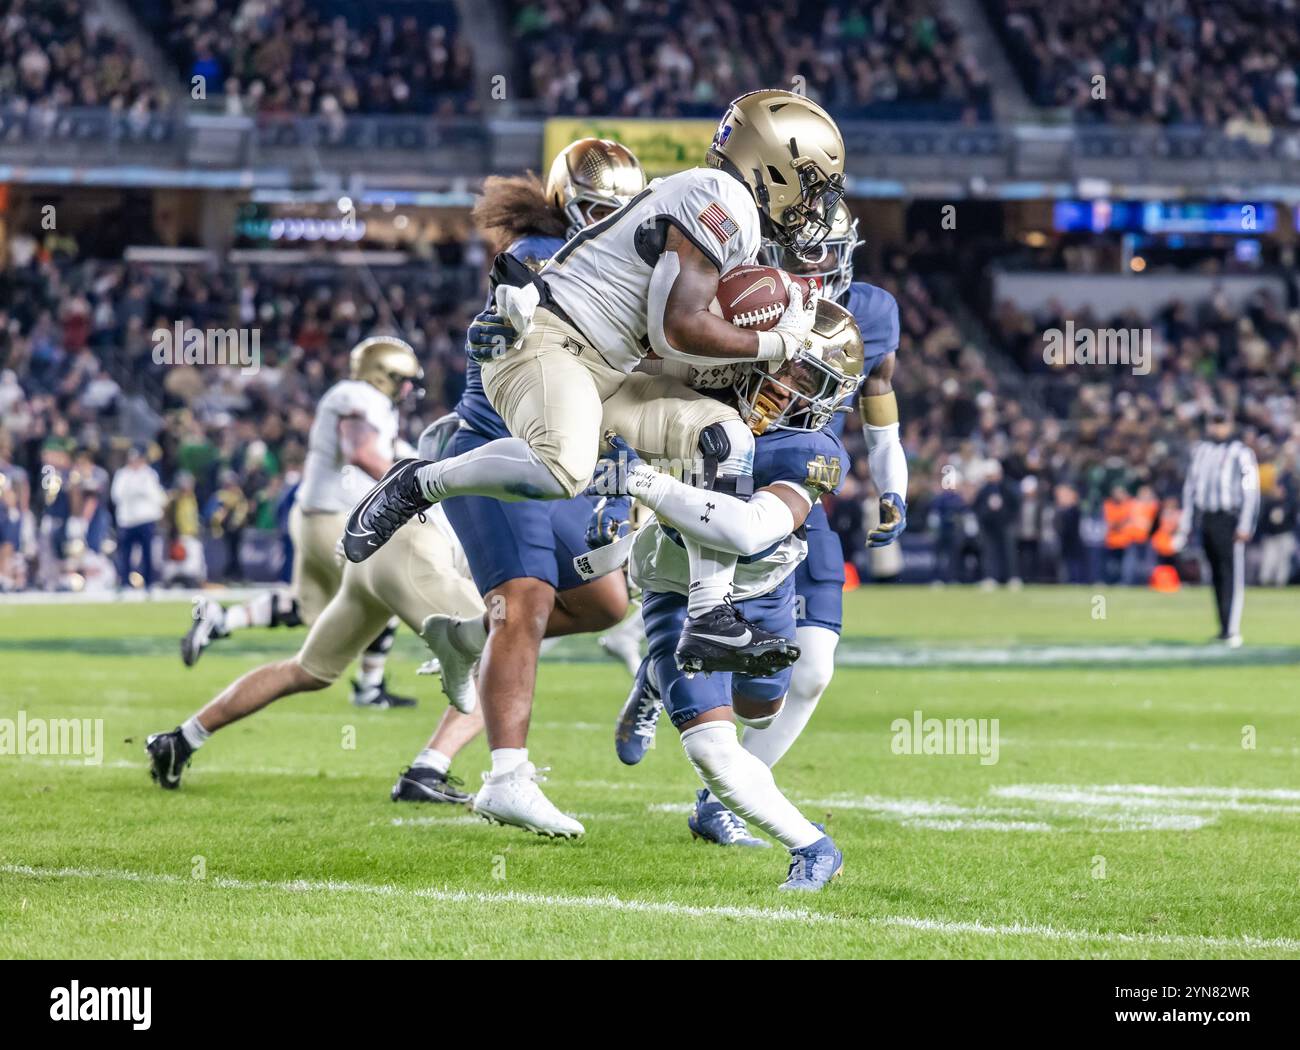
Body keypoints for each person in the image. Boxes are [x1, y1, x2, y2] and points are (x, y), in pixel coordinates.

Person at [342, 89, 846, 682]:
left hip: (608, 368)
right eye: (810, 184)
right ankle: (418, 482)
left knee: (724, 438)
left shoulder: (725, 209)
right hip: (553, 342)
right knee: (565, 468)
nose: (813, 203)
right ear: (773, 165)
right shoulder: (724, 199)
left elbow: (663, 344)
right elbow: (678, 326)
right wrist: (777, 344)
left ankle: (711, 613)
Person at [395, 140, 642, 834]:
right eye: (593, 211)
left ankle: (468, 635)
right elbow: (522, 289)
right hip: (497, 451)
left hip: (559, 465)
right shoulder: (545, 254)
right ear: (570, 207)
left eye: (617, 214)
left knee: (604, 602)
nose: (604, 226)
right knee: (527, 601)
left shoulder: (632, 274)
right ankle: (507, 777)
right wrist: (507, 313)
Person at [616, 201, 907, 775]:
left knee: (800, 678)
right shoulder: (745, 294)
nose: (813, 265)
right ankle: (667, 682)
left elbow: (881, 411)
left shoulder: (870, 313)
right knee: (710, 638)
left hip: (800, 482)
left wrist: (892, 486)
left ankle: (715, 785)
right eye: (798, 251)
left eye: (823, 252)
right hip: (718, 469)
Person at [593, 299, 865, 891]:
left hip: (763, 593)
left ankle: (653, 680)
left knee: (759, 711)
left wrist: (639, 480)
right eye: (788, 365)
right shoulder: (696, 403)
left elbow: (744, 531)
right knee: (715, 752)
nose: (787, 385)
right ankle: (814, 849)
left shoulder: (811, 450)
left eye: (808, 379)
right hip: (676, 589)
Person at [145, 427, 485, 791]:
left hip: (371, 553)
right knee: (502, 655)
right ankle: (427, 772)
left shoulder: (445, 451)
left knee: (305, 671)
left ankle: (181, 740)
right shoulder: (509, 475)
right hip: (413, 549)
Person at [181, 337, 424, 709]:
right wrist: (410, 487)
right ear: (382, 375)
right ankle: (370, 686)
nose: (408, 389)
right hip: (337, 519)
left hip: (317, 516)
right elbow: (361, 451)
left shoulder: (366, 401)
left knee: (306, 606)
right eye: (402, 379)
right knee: (385, 591)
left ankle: (220, 620)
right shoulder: (358, 395)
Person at [1173, 410, 1260, 646]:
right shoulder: (1201, 451)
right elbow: (1190, 488)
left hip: (1229, 517)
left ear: (1230, 425)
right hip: (1207, 517)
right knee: (1215, 574)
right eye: (1215, 423)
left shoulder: (1242, 453)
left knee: (1231, 573)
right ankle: (1223, 627)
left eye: (1222, 424)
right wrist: (1186, 524)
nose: (1218, 429)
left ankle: (1232, 630)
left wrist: (1245, 523)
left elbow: (1251, 491)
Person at [111, 445, 167, 589]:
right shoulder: (122, 474)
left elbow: (158, 497)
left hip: (145, 520)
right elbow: (116, 495)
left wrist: (141, 491)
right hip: (127, 521)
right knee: (125, 554)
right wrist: (134, 490)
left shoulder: (149, 474)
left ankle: (149, 583)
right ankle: (124, 583)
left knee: (148, 553)